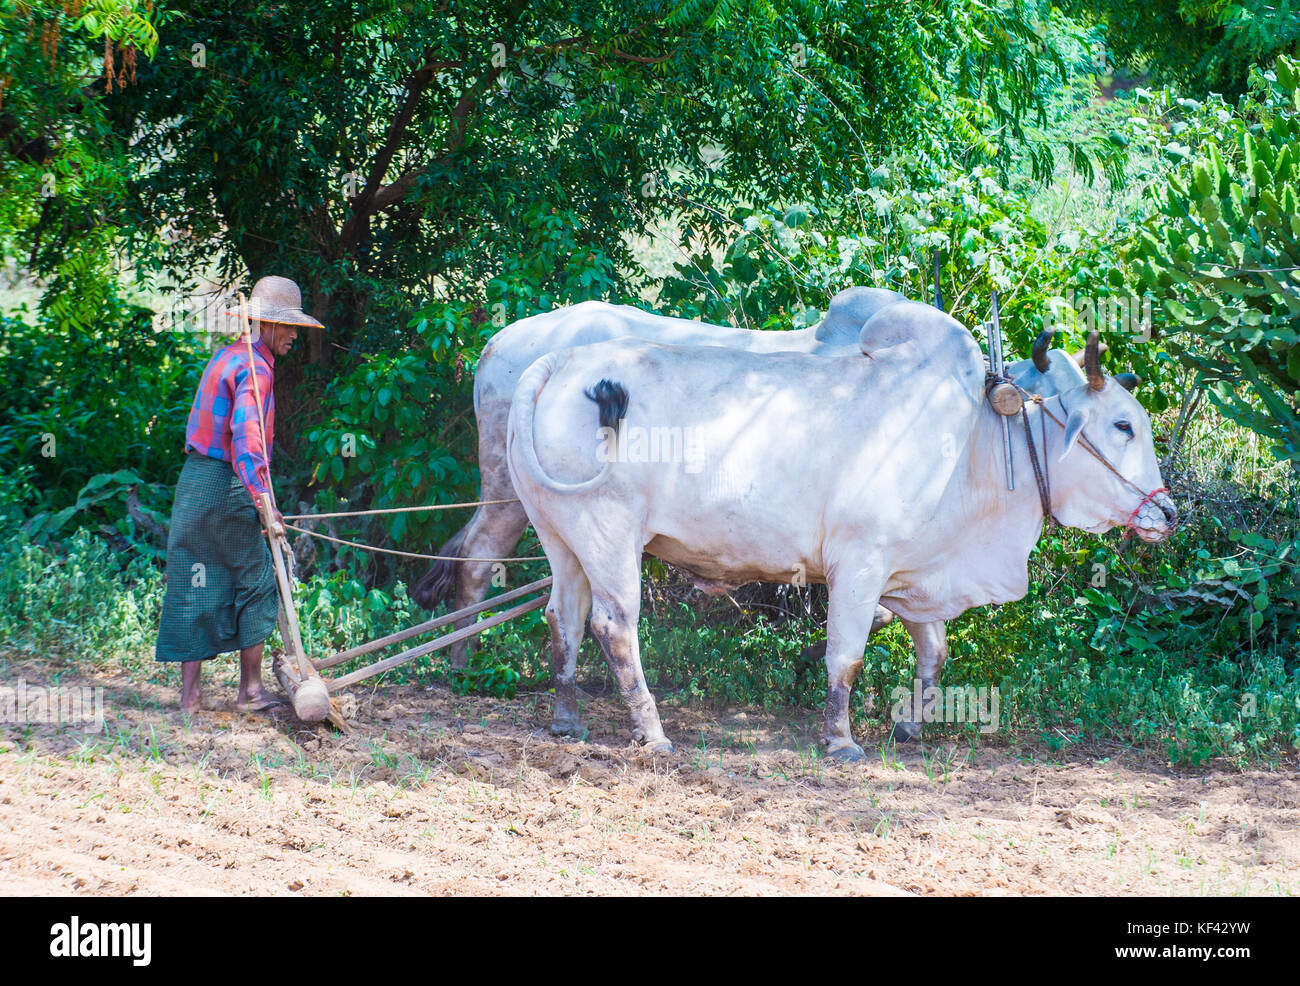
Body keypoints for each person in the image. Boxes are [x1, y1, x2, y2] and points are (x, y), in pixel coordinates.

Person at [154, 276, 325, 714]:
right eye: (287, 327)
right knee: (256, 579)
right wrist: (264, 503)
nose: (293, 336)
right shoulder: (256, 366)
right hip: (229, 484)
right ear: (264, 324)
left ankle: (190, 697)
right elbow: (247, 443)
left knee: (196, 578)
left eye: (296, 328)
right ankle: (250, 691)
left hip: (195, 483)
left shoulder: (226, 356)